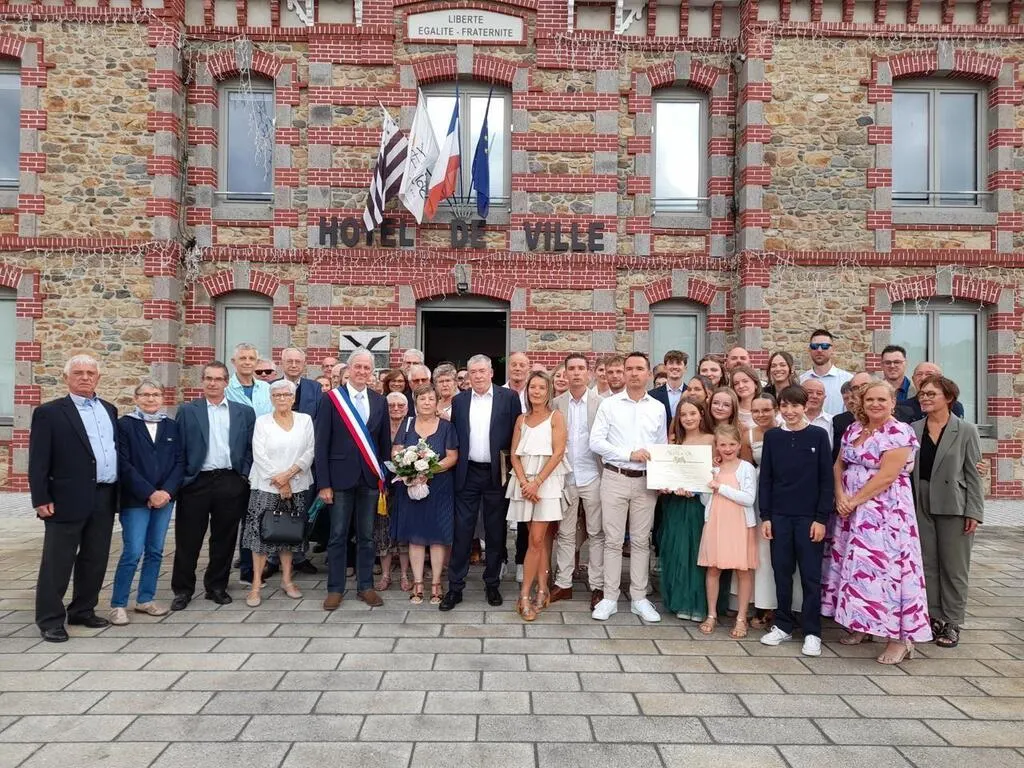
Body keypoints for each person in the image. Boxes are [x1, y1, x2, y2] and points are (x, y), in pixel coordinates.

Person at [822, 380, 930, 664]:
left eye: (882, 399)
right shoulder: (854, 429)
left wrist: (853, 501)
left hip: (885, 513)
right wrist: (840, 495)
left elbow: (887, 475)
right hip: (850, 510)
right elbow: (839, 464)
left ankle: (900, 639)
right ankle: (862, 624)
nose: (875, 404)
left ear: (893, 402)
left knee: (888, 571)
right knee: (857, 569)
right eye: (870, 399)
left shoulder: (899, 432)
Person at [29, 355, 120, 642]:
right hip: (65, 498)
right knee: (57, 561)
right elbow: (38, 459)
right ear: (66, 377)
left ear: (98, 378)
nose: (85, 377)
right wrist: (40, 497)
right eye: (78, 372)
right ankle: (50, 620)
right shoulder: (49, 413)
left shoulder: (109, 409)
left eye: (90, 373)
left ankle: (83, 609)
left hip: (104, 495)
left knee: (95, 557)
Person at [171, 361, 255, 610]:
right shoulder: (188, 411)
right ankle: (182, 590)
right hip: (196, 481)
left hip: (230, 480)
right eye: (208, 378)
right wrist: (183, 479)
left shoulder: (243, 412)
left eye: (218, 379)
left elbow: (250, 447)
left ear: (226, 382)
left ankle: (216, 586)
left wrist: (244, 475)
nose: (213, 383)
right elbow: (178, 447)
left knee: (225, 538)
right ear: (202, 381)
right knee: (188, 539)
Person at [589, 351, 666, 623]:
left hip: (645, 482)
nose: (634, 373)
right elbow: (596, 442)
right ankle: (610, 597)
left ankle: (639, 598)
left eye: (639, 368)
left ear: (649, 374)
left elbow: (661, 446)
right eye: (629, 368)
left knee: (641, 541)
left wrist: (661, 477)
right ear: (623, 372)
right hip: (615, 477)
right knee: (612, 540)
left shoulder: (657, 407)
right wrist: (629, 454)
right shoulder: (609, 405)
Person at [758, 386, 833, 657]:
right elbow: (766, 479)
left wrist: (821, 518)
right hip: (779, 516)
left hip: (808, 518)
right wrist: (766, 516)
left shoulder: (818, 435)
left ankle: (812, 631)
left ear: (805, 406)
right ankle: (782, 624)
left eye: (795, 406)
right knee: (781, 572)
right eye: (785, 406)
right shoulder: (773, 437)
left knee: (811, 576)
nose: (789, 411)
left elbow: (826, 480)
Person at [442, 354, 521, 610]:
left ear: (491, 373)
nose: (477, 376)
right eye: (473, 372)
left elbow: (516, 435)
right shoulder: (459, 400)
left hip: (496, 473)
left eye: (482, 371)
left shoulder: (509, 398)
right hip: (467, 473)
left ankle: (492, 584)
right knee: (462, 531)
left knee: (495, 530)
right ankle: (455, 587)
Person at [315, 348, 392, 610]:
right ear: (348, 369)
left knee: (367, 536)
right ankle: (335, 589)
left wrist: (384, 480)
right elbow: (321, 443)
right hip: (339, 479)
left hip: (370, 480)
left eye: (366, 368)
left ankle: (365, 586)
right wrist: (324, 484)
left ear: (372, 372)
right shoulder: (332, 399)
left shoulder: (379, 400)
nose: (362, 371)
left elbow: (383, 445)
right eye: (357, 367)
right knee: (337, 535)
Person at [911, 375, 984, 649]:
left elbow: (973, 474)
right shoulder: (913, 429)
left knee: (954, 566)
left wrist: (974, 511)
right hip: (920, 501)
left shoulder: (966, 430)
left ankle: (952, 621)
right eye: (922, 393)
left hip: (954, 503)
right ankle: (933, 617)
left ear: (949, 398)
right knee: (927, 563)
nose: (925, 398)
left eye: (931, 394)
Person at [109, 379, 184, 626]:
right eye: (146, 395)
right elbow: (123, 463)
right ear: (136, 398)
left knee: (155, 550)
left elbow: (179, 462)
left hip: (165, 500)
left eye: (156, 394)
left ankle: (145, 599)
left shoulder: (171, 426)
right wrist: (149, 493)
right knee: (133, 551)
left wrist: (166, 492)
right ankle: (118, 604)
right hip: (136, 499)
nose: (151, 399)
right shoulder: (125, 425)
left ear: (162, 398)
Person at [241, 379, 315, 607]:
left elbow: (310, 450)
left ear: (294, 398)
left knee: (288, 534)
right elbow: (259, 454)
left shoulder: (305, 420)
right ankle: (255, 585)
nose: (282, 398)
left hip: (297, 483)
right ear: (271, 399)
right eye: (277, 395)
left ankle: (287, 580)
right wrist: (280, 481)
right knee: (261, 536)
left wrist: (289, 475)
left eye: (286, 395)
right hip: (267, 485)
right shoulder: (262, 421)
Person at [506, 372, 570, 621]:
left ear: (548, 391)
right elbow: (514, 454)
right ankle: (542, 590)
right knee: (538, 541)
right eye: (533, 387)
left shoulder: (556, 417)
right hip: (524, 483)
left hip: (547, 482)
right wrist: (525, 483)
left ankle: (524, 596)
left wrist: (537, 483)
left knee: (535, 539)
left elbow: (558, 453)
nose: (536, 391)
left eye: (542, 387)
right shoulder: (521, 419)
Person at [389, 385, 458, 605]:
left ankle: (436, 583)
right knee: (416, 536)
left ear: (437, 402)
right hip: (411, 488)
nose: (426, 402)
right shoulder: (407, 424)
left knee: (437, 536)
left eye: (430, 399)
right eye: (422, 399)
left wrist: (428, 470)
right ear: (415, 402)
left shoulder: (446, 426)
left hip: (439, 488)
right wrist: (409, 470)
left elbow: (452, 457)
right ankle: (418, 583)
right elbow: (396, 451)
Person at [551, 353, 605, 609]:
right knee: (565, 532)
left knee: (596, 532)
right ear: (565, 372)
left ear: (588, 373)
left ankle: (597, 585)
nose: (575, 373)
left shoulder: (601, 403)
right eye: (571, 368)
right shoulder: (555, 403)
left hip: (594, 474)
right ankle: (563, 583)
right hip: (566, 475)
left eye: (580, 368)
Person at [697, 424, 758, 638]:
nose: (728, 448)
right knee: (713, 569)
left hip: (739, 523)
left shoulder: (746, 468)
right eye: (723, 445)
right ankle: (711, 614)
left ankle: (741, 617)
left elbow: (749, 498)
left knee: (743, 570)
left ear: (739, 445)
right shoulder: (714, 469)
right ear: (717, 446)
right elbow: (705, 500)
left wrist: (720, 487)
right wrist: (709, 484)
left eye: (732, 444)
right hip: (716, 521)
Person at [660, 398, 714, 622]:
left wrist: (699, 488)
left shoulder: (711, 439)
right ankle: (680, 600)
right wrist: (664, 485)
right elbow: (667, 473)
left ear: (701, 414)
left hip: (698, 504)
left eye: (692, 413)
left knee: (695, 551)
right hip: (675, 503)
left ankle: (696, 604)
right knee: (676, 551)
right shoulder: (675, 442)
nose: (688, 418)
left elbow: (718, 471)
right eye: (683, 415)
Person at [747, 393, 783, 630]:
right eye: (756, 411)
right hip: (759, 491)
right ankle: (763, 603)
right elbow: (745, 466)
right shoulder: (749, 434)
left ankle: (784, 604)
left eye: (766, 410)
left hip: (784, 489)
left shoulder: (785, 429)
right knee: (762, 549)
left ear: (776, 409)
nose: (760, 415)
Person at [376, 392, 412, 592]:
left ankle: (405, 575)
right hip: (383, 486)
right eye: (391, 405)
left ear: (407, 408)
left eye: (400, 405)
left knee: (404, 532)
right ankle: (386, 575)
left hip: (406, 486)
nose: (396, 408)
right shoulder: (379, 426)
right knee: (384, 531)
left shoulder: (412, 427)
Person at [799, 329, 852, 416]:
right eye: (814, 346)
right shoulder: (802, 380)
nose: (819, 350)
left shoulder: (847, 379)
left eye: (825, 346)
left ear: (832, 349)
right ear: (809, 349)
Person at [897, 362, 965, 423]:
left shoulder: (953, 406)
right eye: (919, 374)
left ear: (940, 378)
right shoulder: (901, 407)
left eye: (929, 374)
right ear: (913, 379)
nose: (923, 378)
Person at [831, 371, 873, 462]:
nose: (850, 401)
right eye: (846, 398)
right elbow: (838, 458)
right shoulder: (847, 425)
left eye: (852, 397)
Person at [226, 343, 273, 417]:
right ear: (233, 361)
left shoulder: (267, 388)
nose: (247, 362)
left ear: (257, 362)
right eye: (242, 358)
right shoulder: (226, 388)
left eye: (251, 358)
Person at [648, 350, 688, 425]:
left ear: (685, 368)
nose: (674, 367)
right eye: (671, 363)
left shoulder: (691, 393)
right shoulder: (652, 395)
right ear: (665, 367)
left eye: (678, 363)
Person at [280, 347, 321, 418]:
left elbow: (319, 416)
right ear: (282, 363)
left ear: (304, 364)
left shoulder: (315, 388)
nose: (293, 365)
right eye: (289, 361)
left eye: (298, 362)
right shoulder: (270, 386)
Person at [801, 378, 833, 449]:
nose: (814, 396)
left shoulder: (832, 421)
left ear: (824, 397)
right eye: (809, 392)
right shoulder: (788, 419)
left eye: (819, 393)